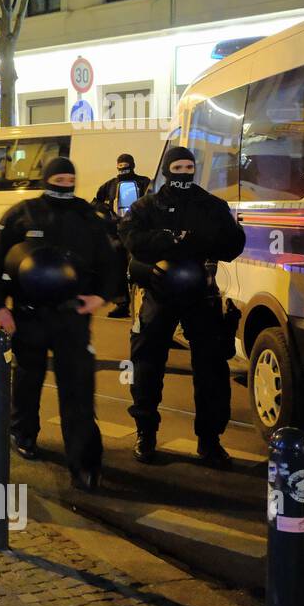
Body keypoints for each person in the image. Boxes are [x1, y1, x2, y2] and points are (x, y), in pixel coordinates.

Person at [0, 157, 118, 491]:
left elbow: (112, 260)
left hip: (73, 317)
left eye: (70, 176)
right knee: (27, 381)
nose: (64, 181)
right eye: (58, 176)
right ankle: (23, 433)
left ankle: (85, 463)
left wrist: (102, 296)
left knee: (79, 390)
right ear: (46, 179)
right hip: (28, 315)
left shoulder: (89, 216)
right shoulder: (22, 213)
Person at [120, 145, 246, 467]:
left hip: (200, 294)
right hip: (159, 293)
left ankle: (210, 440)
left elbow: (232, 244)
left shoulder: (210, 206)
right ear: (167, 170)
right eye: (177, 169)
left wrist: (203, 239)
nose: (183, 174)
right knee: (146, 361)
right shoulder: (147, 206)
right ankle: (145, 433)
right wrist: (168, 241)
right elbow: (130, 239)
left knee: (212, 367)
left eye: (189, 168)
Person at [93, 153, 152, 318]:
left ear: (132, 166)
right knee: (117, 268)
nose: (123, 171)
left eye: (126, 167)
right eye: (120, 167)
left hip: (139, 232)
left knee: (140, 267)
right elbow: (96, 202)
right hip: (118, 232)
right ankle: (122, 303)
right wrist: (104, 211)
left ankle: (144, 302)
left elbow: (155, 201)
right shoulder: (110, 185)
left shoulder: (144, 182)